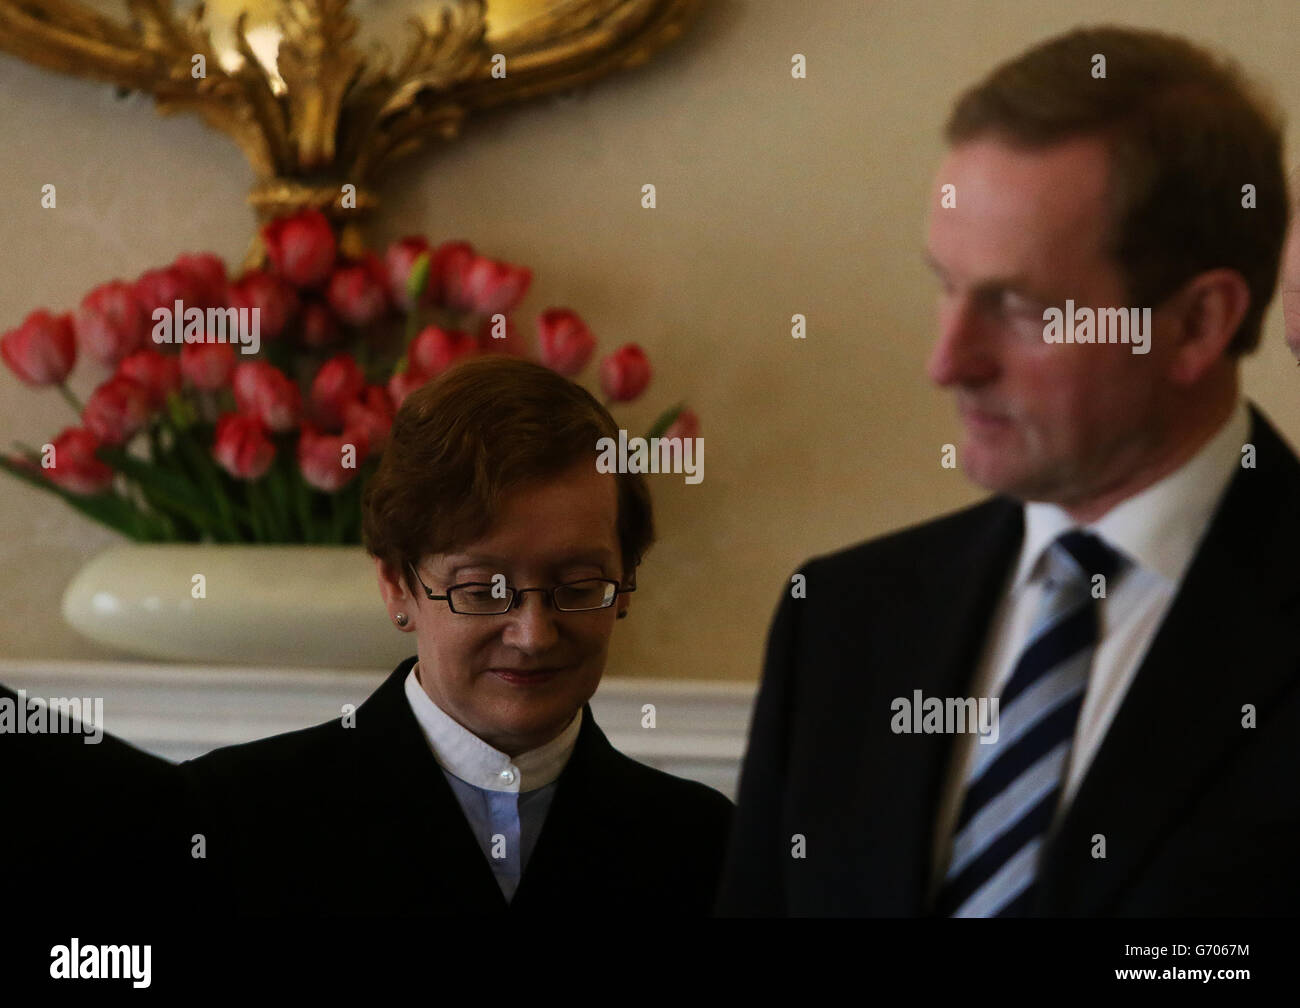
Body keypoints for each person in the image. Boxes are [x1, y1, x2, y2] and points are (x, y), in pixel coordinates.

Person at [719, 25, 1300, 917]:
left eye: (1021, 307)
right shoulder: (842, 622)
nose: (947, 362)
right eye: (946, 288)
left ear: (1195, 324)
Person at [181, 355, 732, 915]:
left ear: (627, 583)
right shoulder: (227, 820)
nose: (533, 635)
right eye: (484, 590)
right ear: (398, 584)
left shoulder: (710, 844)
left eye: (580, 584)